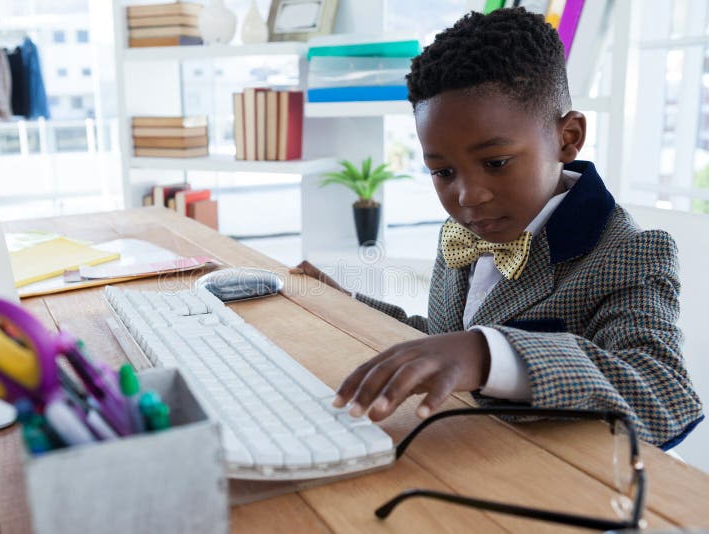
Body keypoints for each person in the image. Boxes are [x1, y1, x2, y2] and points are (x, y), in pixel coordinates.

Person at [292, 7, 703, 448]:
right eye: (444, 172)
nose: (468, 195)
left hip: (560, 485)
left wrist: (491, 356)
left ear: (568, 137)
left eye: (496, 163)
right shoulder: (469, 230)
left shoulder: (630, 251)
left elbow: (665, 394)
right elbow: (442, 343)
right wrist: (350, 304)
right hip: (468, 456)